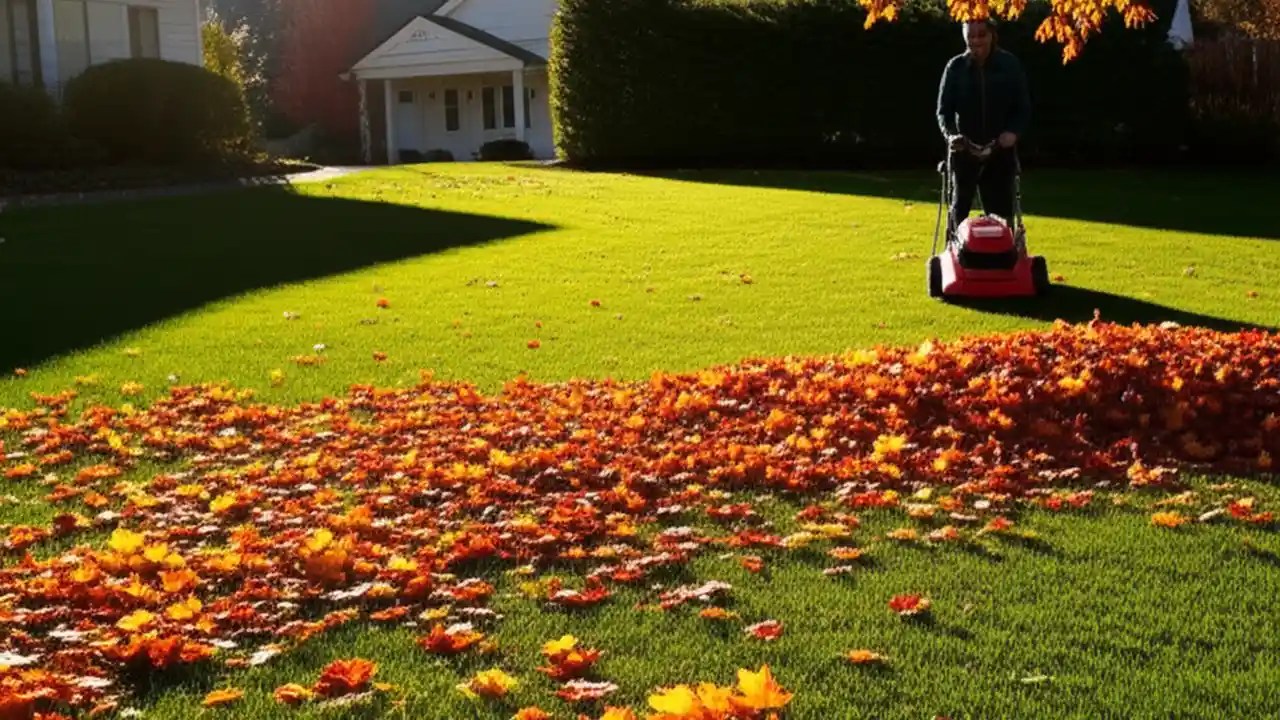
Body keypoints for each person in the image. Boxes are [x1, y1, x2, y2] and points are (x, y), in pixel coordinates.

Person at [935, 19, 1031, 236]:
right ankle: (955, 260)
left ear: (992, 35)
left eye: (981, 35)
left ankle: (1003, 263)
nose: (976, 41)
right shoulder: (955, 67)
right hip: (964, 151)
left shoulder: (1009, 65)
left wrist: (1013, 132)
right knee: (958, 212)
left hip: (999, 149)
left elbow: (1022, 107)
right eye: (971, 36)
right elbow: (944, 111)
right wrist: (951, 136)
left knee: (1001, 216)